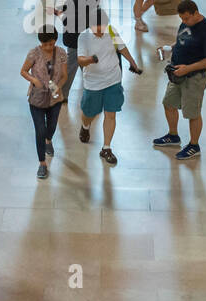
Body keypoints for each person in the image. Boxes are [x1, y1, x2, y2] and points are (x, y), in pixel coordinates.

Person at [153, 1, 206, 161]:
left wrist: (188, 69)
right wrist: (170, 48)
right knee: (168, 103)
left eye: (187, 18)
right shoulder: (185, 23)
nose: (184, 21)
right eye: (181, 18)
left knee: (192, 113)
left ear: (196, 13)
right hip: (177, 73)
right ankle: (173, 135)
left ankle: (194, 145)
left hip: (194, 77)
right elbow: (182, 40)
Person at [76, 9, 142, 167]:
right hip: (93, 82)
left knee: (110, 114)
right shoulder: (84, 37)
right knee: (89, 113)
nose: (101, 31)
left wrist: (133, 63)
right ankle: (85, 126)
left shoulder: (111, 31)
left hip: (113, 80)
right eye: (97, 28)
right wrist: (90, 60)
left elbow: (122, 47)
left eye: (103, 27)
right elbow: (80, 60)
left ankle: (106, 148)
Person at [21, 27, 67, 180]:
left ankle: (49, 140)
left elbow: (65, 75)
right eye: (46, 44)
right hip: (37, 98)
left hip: (55, 98)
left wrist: (58, 87)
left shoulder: (61, 53)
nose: (49, 47)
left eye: (52, 43)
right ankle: (42, 163)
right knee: (40, 130)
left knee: (52, 126)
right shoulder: (34, 53)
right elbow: (23, 71)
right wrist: (34, 80)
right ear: (41, 42)